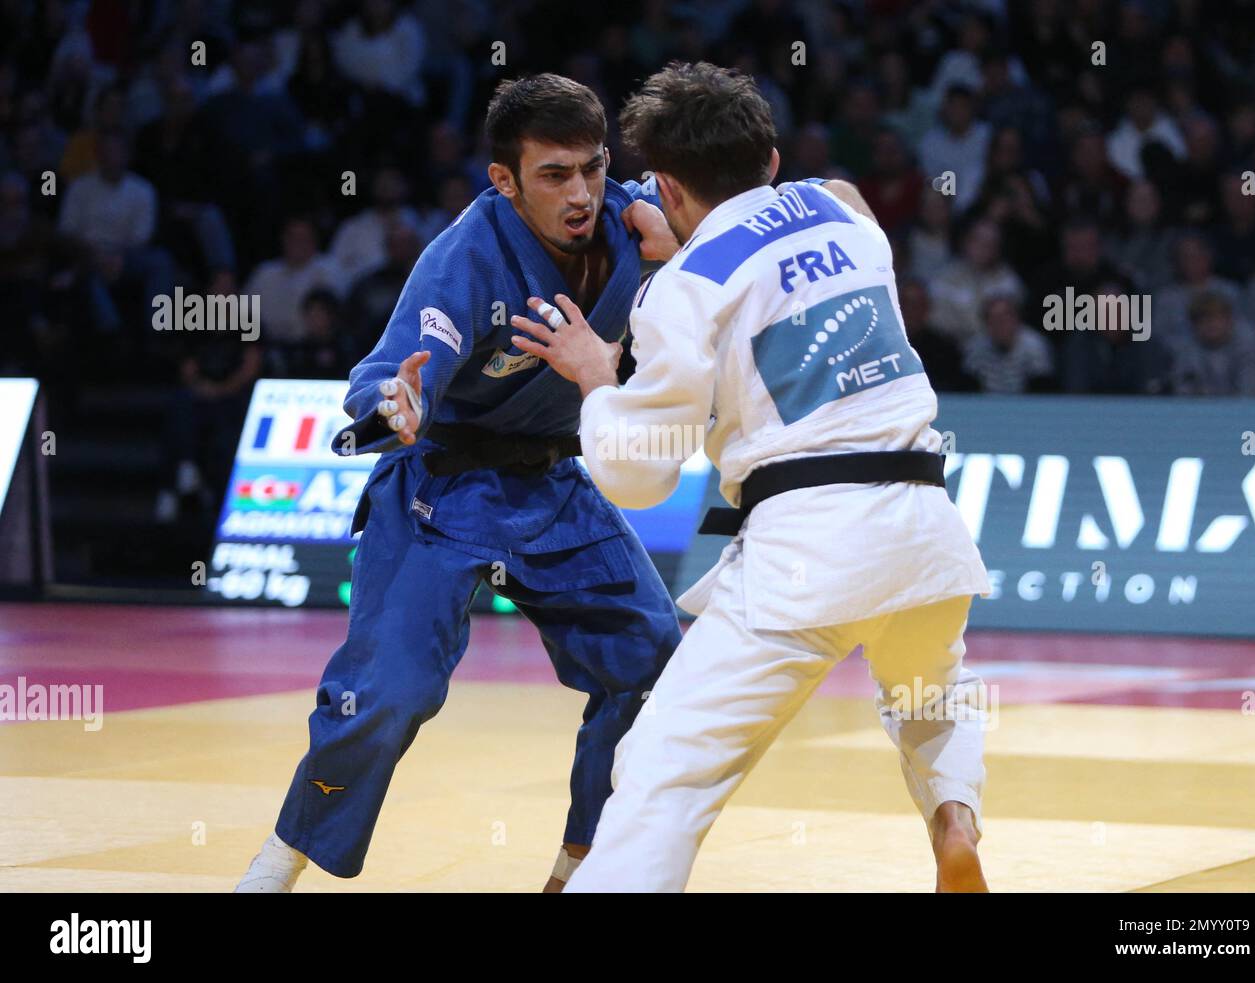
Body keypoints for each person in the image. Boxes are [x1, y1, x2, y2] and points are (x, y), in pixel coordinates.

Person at [510, 63, 992, 893]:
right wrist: (707, 227)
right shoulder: (846, 214)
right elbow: (829, 191)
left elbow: (638, 475)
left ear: (663, 183)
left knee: (664, 773)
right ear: (769, 157)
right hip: (929, 532)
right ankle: (954, 819)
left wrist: (596, 374)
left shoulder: (683, 289)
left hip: (808, 551)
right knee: (929, 694)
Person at [235, 73, 683, 893]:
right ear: (504, 180)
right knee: (387, 694)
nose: (580, 192)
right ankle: (279, 859)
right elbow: (393, 368)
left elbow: (732, 207)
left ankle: (583, 862)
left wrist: (685, 235)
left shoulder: (636, 210)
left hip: (553, 482)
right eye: (554, 175)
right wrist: (393, 403)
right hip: (440, 487)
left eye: (591, 167)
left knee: (656, 661)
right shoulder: (464, 258)